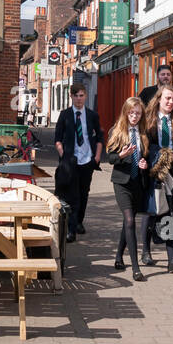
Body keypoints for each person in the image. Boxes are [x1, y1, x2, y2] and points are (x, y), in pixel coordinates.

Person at [142, 85, 173, 272]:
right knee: (152, 211)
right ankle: (146, 251)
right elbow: (144, 147)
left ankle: (171, 259)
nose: (170, 102)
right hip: (153, 172)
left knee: (170, 214)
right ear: (159, 99)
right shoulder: (149, 121)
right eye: (167, 98)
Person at [106, 97, 149, 281]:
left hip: (137, 181)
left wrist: (144, 163)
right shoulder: (117, 131)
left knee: (128, 220)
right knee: (130, 220)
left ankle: (118, 256)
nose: (134, 116)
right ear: (126, 112)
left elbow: (147, 154)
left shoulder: (144, 133)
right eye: (131, 113)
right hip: (121, 182)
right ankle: (136, 268)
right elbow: (110, 158)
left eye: (138, 113)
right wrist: (122, 155)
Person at [54, 84, 104, 242]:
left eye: (81, 95)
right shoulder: (65, 115)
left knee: (84, 193)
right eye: (76, 96)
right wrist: (63, 155)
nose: (79, 99)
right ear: (71, 97)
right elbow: (57, 139)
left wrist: (96, 157)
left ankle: (79, 222)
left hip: (87, 160)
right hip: (71, 160)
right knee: (72, 195)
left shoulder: (92, 115)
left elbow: (99, 138)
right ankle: (71, 229)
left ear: (85, 96)